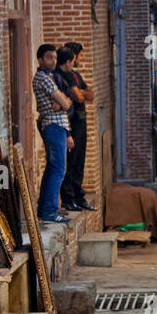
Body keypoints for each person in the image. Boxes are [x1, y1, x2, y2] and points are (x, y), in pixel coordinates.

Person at [33, 43, 73, 223]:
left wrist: (63, 100)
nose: (53, 60)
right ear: (40, 59)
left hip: (56, 126)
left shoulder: (50, 77)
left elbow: (66, 100)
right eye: (49, 57)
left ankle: (44, 209)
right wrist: (62, 101)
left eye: (55, 57)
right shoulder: (44, 78)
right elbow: (66, 104)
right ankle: (50, 211)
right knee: (58, 169)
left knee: (52, 168)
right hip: (53, 125)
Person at [56, 43, 96, 212]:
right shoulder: (64, 76)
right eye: (79, 56)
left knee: (79, 160)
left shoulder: (76, 76)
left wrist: (82, 93)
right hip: (71, 122)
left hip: (81, 121)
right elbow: (78, 97)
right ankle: (68, 198)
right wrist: (81, 93)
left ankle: (79, 196)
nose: (80, 60)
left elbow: (91, 95)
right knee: (70, 161)